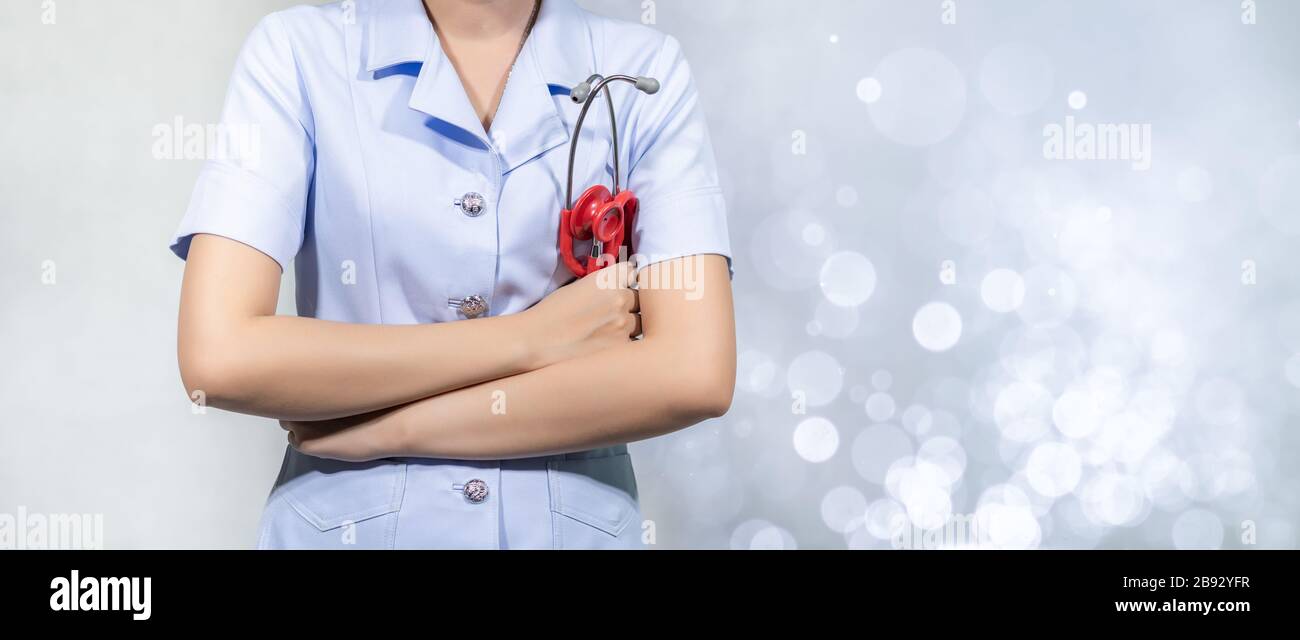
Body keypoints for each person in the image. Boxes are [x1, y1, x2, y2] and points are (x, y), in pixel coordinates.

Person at [170, 0, 735, 549]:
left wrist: (394, 431)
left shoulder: (644, 70)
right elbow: (221, 359)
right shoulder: (298, 51)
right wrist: (533, 338)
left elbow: (693, 374)